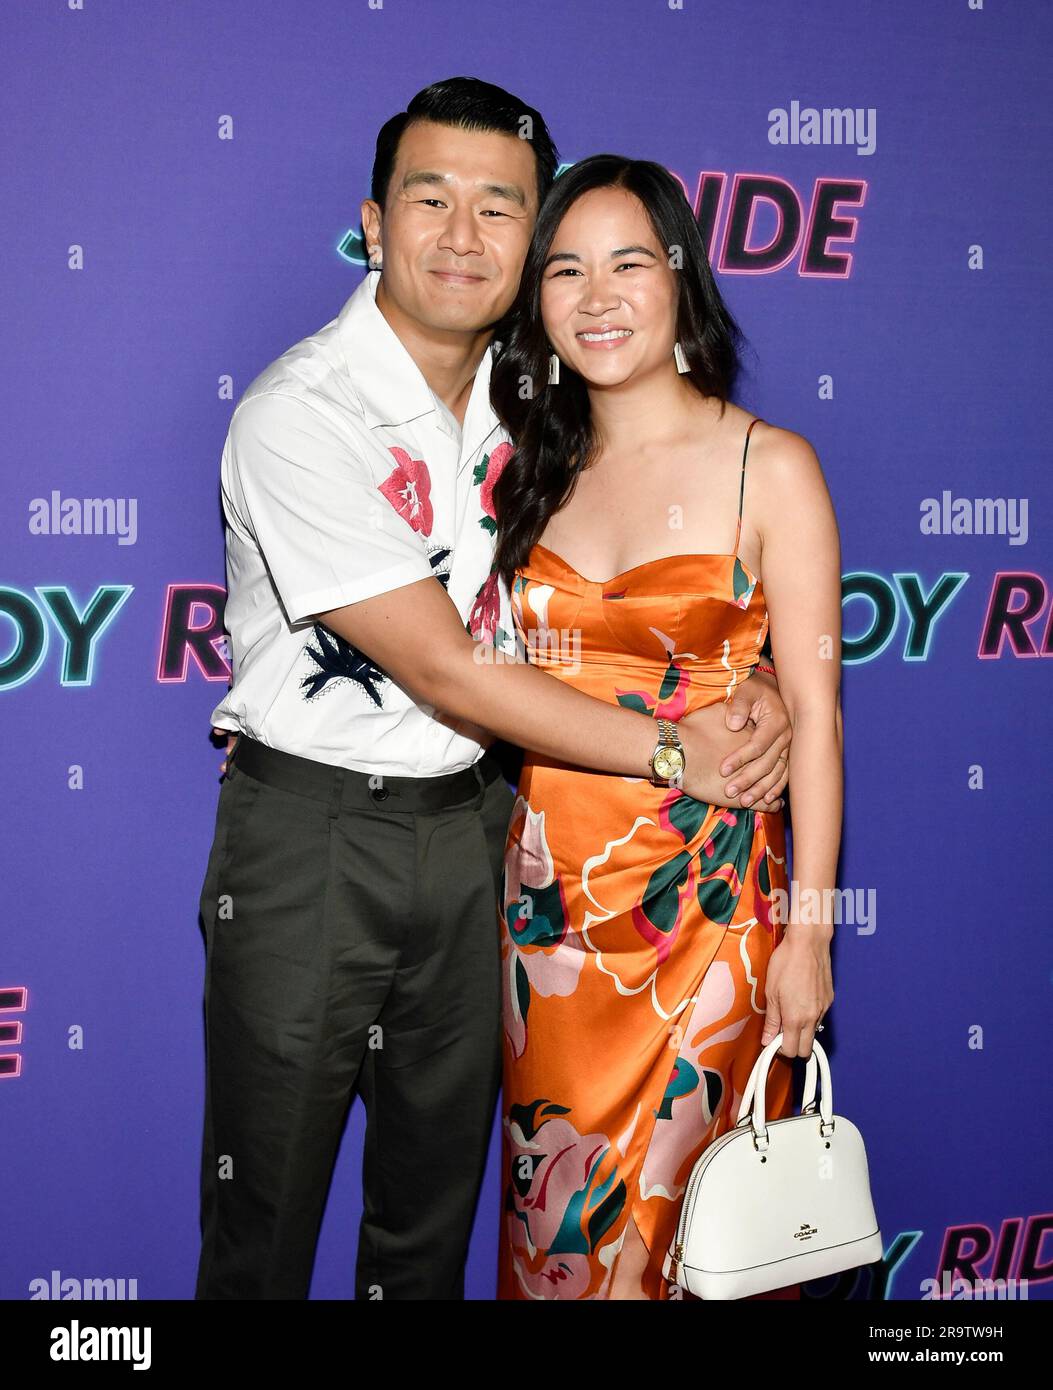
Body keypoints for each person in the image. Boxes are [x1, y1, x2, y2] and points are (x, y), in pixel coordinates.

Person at [197, 79, 794, 1301]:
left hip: (488, 836)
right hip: (312, 839)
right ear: (374, 223)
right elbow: (441, 663)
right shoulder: (297, 414)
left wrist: (761, 678)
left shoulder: (542, 408)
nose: (462, 236)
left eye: (500, 208)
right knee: (264, 1221)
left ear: (533, 243)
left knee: (432, 1218)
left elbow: (662, 579)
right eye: (430, 200)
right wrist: (678, 750)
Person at [489, 155, 841, 1300]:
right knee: (562, 1232)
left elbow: (820, 720)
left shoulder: (769, 464)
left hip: (712, 911)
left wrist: (811, 937)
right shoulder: (521, 468)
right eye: (565, 270)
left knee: (693, 1243)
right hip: (547, 920)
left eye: (629, 263)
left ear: (683, 276)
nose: (596, 297)